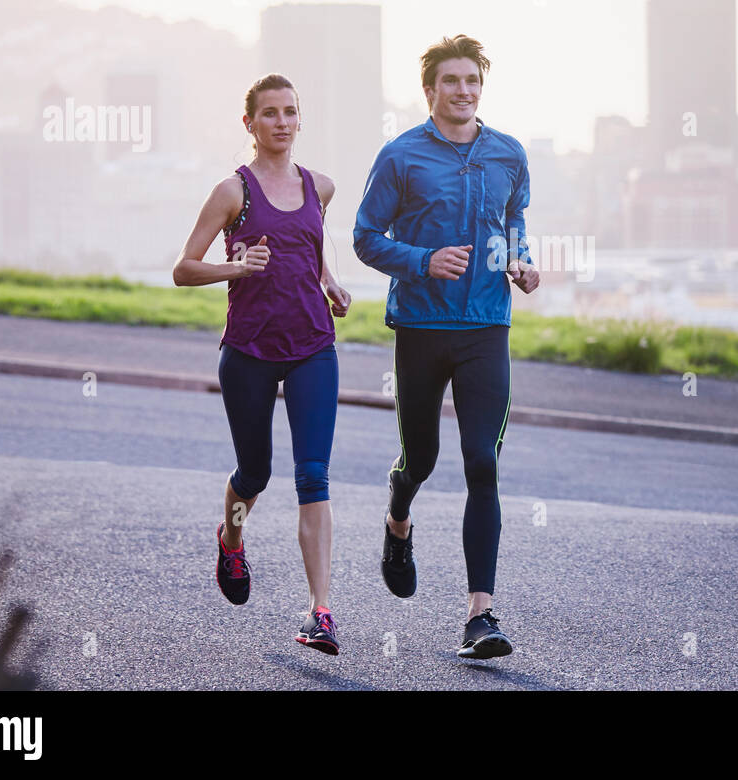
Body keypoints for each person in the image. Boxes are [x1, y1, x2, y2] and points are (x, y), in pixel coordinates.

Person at [354, 35, 540, 660]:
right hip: (421, 326)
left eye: (472, 80)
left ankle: (479, 616)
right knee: (423, 458)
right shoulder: (401, 156)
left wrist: (521, 260)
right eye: (451, 81)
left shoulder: (508, 154)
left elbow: (513, 221)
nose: (463, 90)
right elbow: (364, 237)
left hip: (487, 325)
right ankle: (398, 515)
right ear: (430, 89)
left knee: (482, 461)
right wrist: (423, 261)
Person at [172, 73, 352, 655]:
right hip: (248, 349)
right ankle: (231, 537)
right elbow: (184, 267)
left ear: (301, 121)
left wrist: (332, 283)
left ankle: (320, 612)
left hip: (312, 348)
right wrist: (236, 268)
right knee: (255, 474)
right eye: (269, 113)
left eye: (290, 112)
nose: (281, 121)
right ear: (249, 124)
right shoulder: (233, 192)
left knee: (313, 475)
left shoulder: (320, 187)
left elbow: (314, 247)